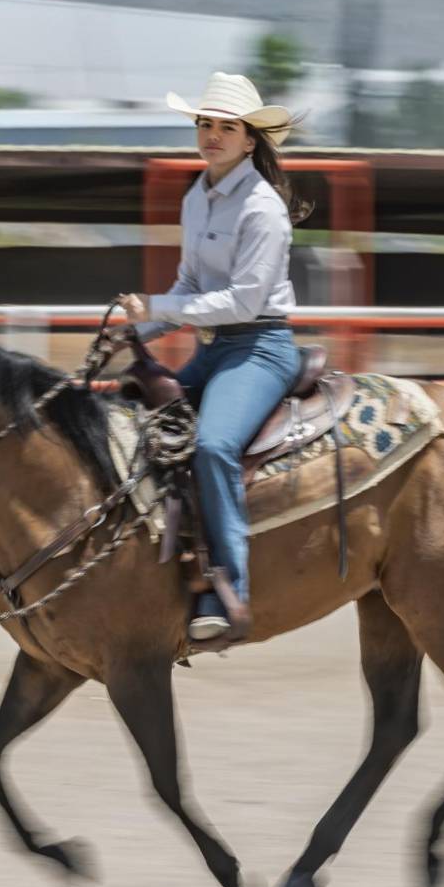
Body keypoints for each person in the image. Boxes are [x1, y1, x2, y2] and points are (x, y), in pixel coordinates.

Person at [120, 71, 310, 642]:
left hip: (260, 349)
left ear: (251, 140)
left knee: (214, 445)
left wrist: (160, 308)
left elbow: (245, 300)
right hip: (215, 349)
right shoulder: (196, 198)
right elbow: (189, 283)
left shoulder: (262, 209)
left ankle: (230, 592)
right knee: (134, 431)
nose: (212, 135)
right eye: (205, 124)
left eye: (227, 127)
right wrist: (139, 328)